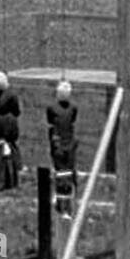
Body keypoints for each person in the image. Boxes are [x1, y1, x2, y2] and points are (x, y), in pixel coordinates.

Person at [47, 79, 79, 215]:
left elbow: (49, 121)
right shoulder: (73, 108)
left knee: (60, 173)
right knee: (69, 173)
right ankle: (69, 205)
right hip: (70, 144)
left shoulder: (51, 108)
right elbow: (73, 120)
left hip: (58, 145)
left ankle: (60, 203)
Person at [0, 71, 22, 191]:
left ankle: (5, 182)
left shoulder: (11, 95)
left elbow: (16, 112)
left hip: (7, 127)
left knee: (5, 155)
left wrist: (8, 129)